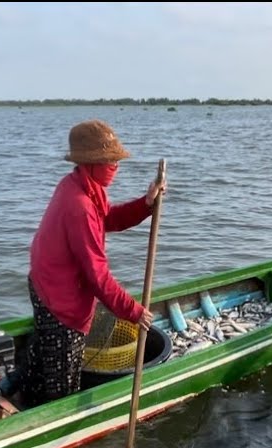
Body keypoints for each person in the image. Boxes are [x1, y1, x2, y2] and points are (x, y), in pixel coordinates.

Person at [22, 119, 165, 407]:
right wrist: (133, 310)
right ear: (90, 162)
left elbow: (108, 217)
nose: (116, 165)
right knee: (62, 379)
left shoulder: (82, 184)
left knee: (43, 357)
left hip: (45, 283)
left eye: (115, 160)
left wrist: (146, 204)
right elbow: (97, 276)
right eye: (109, 160)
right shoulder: (79, 204)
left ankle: (29, 397)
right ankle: (51, 423)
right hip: (60, 301)